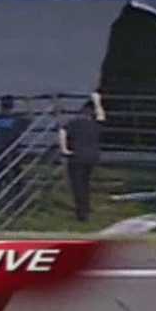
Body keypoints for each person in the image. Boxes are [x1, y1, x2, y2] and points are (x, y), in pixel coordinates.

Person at [59, 92, 105, 223]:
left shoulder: (74, 123)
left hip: (76, 156)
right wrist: (97, 101)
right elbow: (101, 116)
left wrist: (64, 148)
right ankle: (86, 207)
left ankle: (82, 212)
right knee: (85, 183)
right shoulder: (95, 125)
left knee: (78, 185)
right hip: (92, 156)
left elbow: (62, 131)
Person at [0, 95, 31, 206]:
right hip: (12, 151)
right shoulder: (18, 120)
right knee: (15, 177)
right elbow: (30, 119)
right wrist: (27, 104)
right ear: (12, 106)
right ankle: (18, 201)